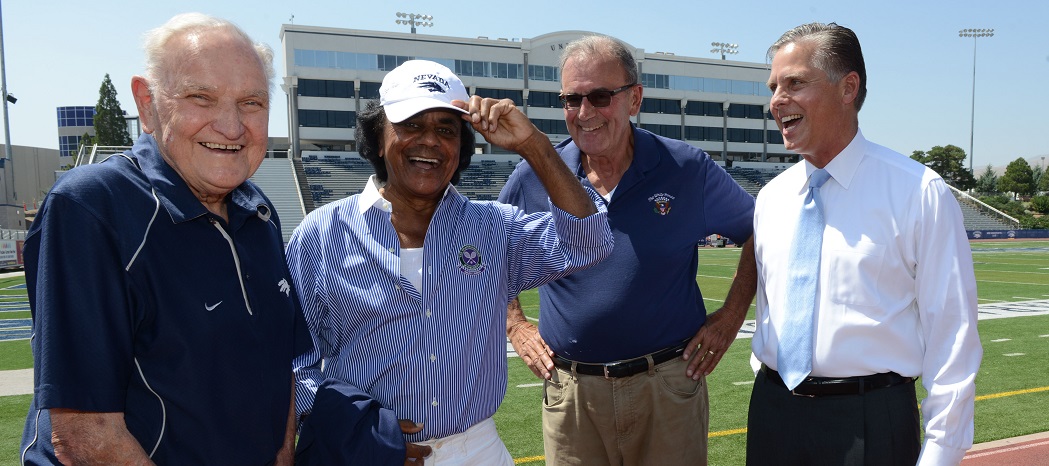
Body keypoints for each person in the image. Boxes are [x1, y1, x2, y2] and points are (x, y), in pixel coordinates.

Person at [287, 59, 613, 465]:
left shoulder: (494, 228)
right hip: (365, 453)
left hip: (475, 450)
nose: (430, 142)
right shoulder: (322, 234)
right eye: (411, 125)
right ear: (377, 133)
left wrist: (536, 147)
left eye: (446, 129)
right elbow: (291, 362)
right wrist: (359, 430)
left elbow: (589, 243)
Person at [19, 13, 311, 465]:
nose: (231, 127)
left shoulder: (259, 211)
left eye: (251, 102)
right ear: (148, 103)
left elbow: (281, 374)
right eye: (202, 97)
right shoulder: (92, 208)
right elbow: (86, 436)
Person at [498, 34, 757, 465]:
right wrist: (515, 325)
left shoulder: (686, 169)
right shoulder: (535, 175)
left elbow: (759, 231)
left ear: (634, 99)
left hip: (669, 384)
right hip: (572, 393)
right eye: (571, 100)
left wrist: (730, 317)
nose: (584, 113)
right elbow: (486, 252)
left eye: (600, 97)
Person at [749, 22, 982, 465]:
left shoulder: (918, 192)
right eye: (774, 86)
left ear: (847, 88)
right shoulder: (772, 198)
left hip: (869, 421)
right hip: (773, 414)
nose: (777, 101)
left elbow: (952, 336)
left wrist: (941, 454)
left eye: (795, 83)